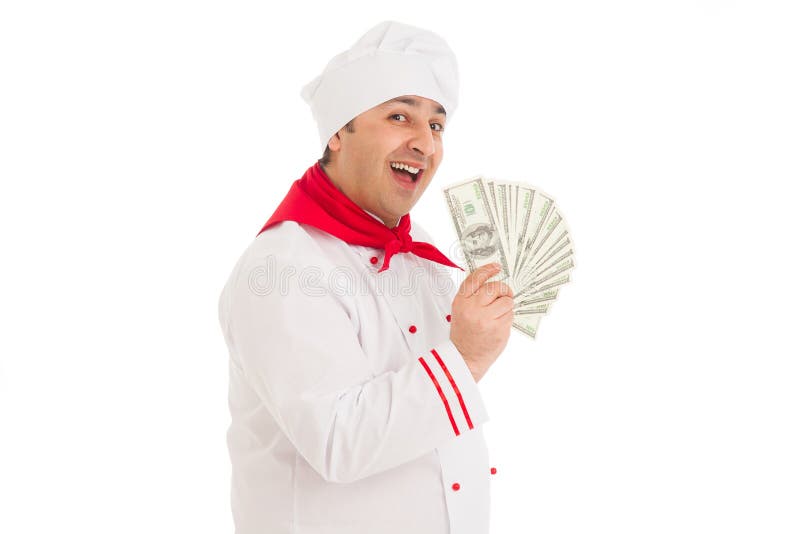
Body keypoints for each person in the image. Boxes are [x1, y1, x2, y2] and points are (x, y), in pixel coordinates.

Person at [217, 20, 514, 534]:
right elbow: (338, 441)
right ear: (337, 131)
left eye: (437, 125)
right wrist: (466, 355)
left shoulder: (421, 254)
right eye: (400, 116)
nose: (425, 143)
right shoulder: (282, 268)